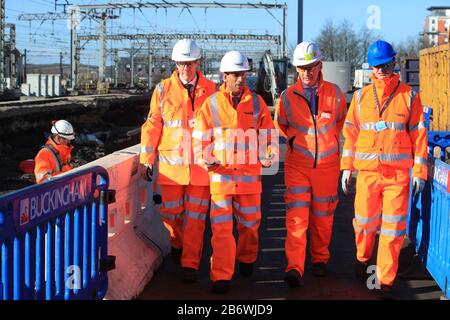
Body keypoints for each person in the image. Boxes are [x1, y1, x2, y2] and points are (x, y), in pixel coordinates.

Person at [340, 40, 428, 297]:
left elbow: (419, 137)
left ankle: (384, 280)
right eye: (376, 66)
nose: (381, 70)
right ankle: (362, 257)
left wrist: (419, 172)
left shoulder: (409, 97)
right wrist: (347, 167)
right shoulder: (360, 98)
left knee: (392, 229)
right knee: (365, 224)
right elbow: (350, 136)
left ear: (394, 64)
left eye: (385, 65)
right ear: (370, 67)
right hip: (367, 174)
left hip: (397, 176)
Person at [192, 50, 276, 294]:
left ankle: (247, 258)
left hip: (249, 178)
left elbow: (268, 135)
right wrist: (203, 158)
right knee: (221, 229)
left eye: (243, 74)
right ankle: (221, 276)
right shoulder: (211, 105)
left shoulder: (258, 103)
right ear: (224, 76)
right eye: (235, 75)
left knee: (250, 225)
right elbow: (199, 140)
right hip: (221, 177)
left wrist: (269, 152)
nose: (240, 79)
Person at [140, 39, 216, 282]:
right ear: (175, 64)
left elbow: (221, 126)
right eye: (182, 64)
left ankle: (190, 265)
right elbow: (153, 126)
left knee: (196, 218)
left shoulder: (212, 89)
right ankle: (177, 243)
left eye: (190, 63)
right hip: (172, 170)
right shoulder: (163, 90)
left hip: (201, 169)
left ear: (198, 62)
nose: (186, 69)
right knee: (171, 214)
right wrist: (146, 158)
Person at [274, 42, 348, 287]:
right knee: (296, 217)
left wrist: (331, 141)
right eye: (302, 68)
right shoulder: (286, 97)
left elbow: (342, 122)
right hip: (298, 166)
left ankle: (319, 259)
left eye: (311, 67)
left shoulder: (335, 94)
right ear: (297, 69)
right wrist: (293, 140)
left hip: (327, 167)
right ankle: (294, 267)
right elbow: (280, 124)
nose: (307, 73)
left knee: (323, 216)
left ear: (320, 66)